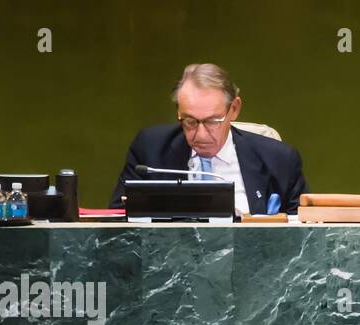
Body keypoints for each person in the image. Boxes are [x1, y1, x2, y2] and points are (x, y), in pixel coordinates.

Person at [110, 63, 307, 215]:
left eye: (213, 121)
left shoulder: (280, 159)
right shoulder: (150, 150)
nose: (201, 135)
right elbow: (119, 222)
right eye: (190, 121)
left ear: (234, 109)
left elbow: (303, 235)